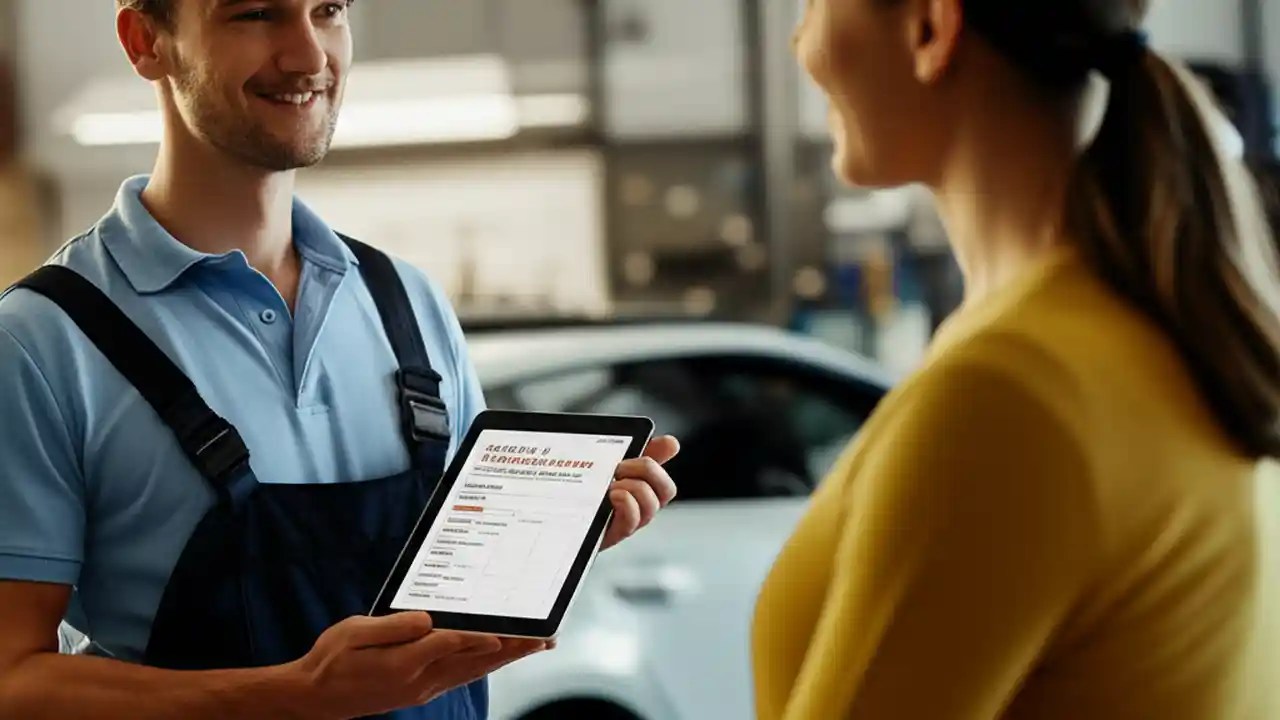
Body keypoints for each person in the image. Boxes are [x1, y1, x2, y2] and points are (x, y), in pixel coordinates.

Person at [0, 1, 679, 719]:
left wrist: (552, 543)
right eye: (255, 14)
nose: (307, 56)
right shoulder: (40, 343)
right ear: (146, 42)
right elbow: (12, 682)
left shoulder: (407, 305)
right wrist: (293, 698)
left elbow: (445, 600)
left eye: (327, 10)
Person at [752, 1, 1280, 718]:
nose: (799, 39)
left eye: (815, 4)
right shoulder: (1145, 337)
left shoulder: (1004, 397)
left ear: (931, 29)